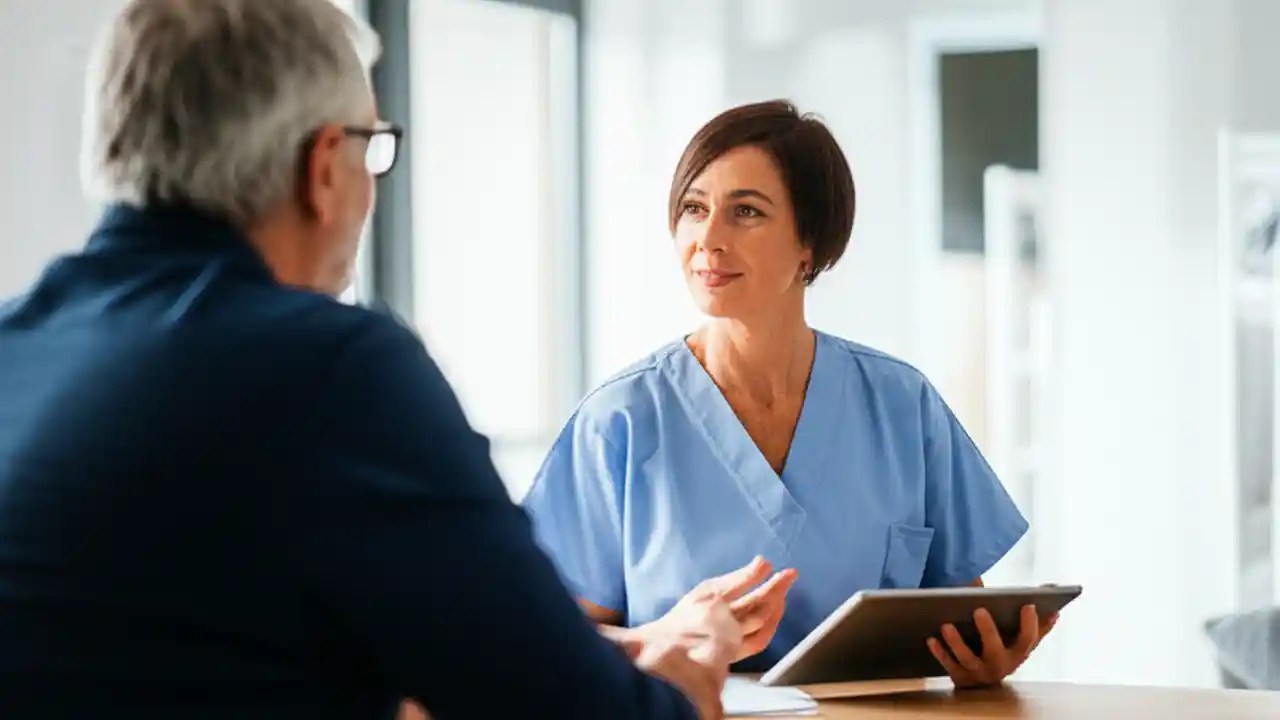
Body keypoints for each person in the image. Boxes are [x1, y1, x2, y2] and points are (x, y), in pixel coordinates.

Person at [0, 1, 741, 717]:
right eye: (371, 147)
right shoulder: (327, 369)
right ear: (324, 166)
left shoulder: (17, 344)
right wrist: (683, 682)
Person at [524, 100, 1057, 687]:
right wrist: (659, 639)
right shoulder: (620, 420)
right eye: (694, 208)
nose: (708, 238)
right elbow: (546, 641)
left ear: (811, 242)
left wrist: (985, 661)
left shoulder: (902, 404)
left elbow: (962, 614)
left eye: (745, 211)